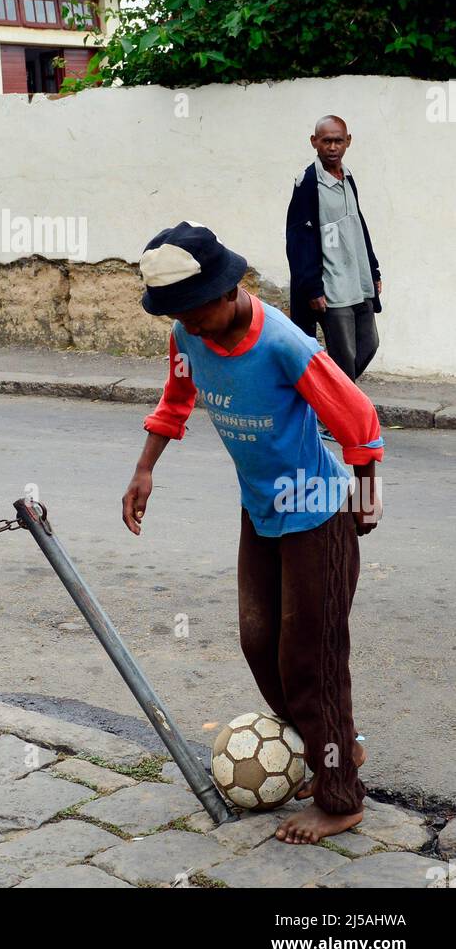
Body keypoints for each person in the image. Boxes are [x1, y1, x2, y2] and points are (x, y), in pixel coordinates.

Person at [121, 222, 383, 845]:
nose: (186, 322)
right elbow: (177, 399)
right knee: (258, 638)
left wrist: (366, 497)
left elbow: (359, 417)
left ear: (229, 287)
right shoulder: (187, 334)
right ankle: (332, 748)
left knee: (310, 656)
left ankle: (340, 796)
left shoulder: (284, 344)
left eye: (193, 308)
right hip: (262, 507)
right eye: (175, 312)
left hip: (318, 511)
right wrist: (144, 468)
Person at [286, 115, 382, 382]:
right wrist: (313, 286)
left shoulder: (347, 176)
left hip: (358, 281)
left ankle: (326, 394)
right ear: (314, 142)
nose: (332, 147)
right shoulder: (307, 183)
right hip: (332, 286)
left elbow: (358, 226)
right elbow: (298, 239)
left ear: (348, 141)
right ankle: (339, 417)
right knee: (344, 357)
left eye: (338, 141)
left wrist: (373, 270)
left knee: (368, 344)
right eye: (326, 141)